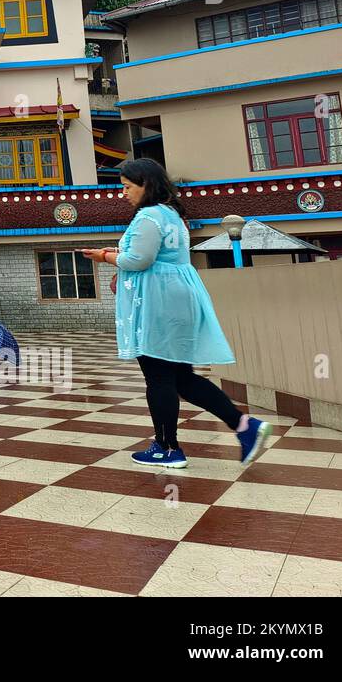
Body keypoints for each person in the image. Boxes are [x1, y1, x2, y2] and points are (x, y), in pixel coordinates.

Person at [82, 157, 273, 470]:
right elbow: (153, 257)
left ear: (146, 184)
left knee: (158, 377)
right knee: (181, 377)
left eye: (128, 187)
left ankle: (167, 448)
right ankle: (244, 426)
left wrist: (104, 256)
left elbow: (140, 261)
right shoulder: (173, 215)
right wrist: (117, 257)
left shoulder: (148, 216)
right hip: (177, 297)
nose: (125, 193)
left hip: (158, 303)